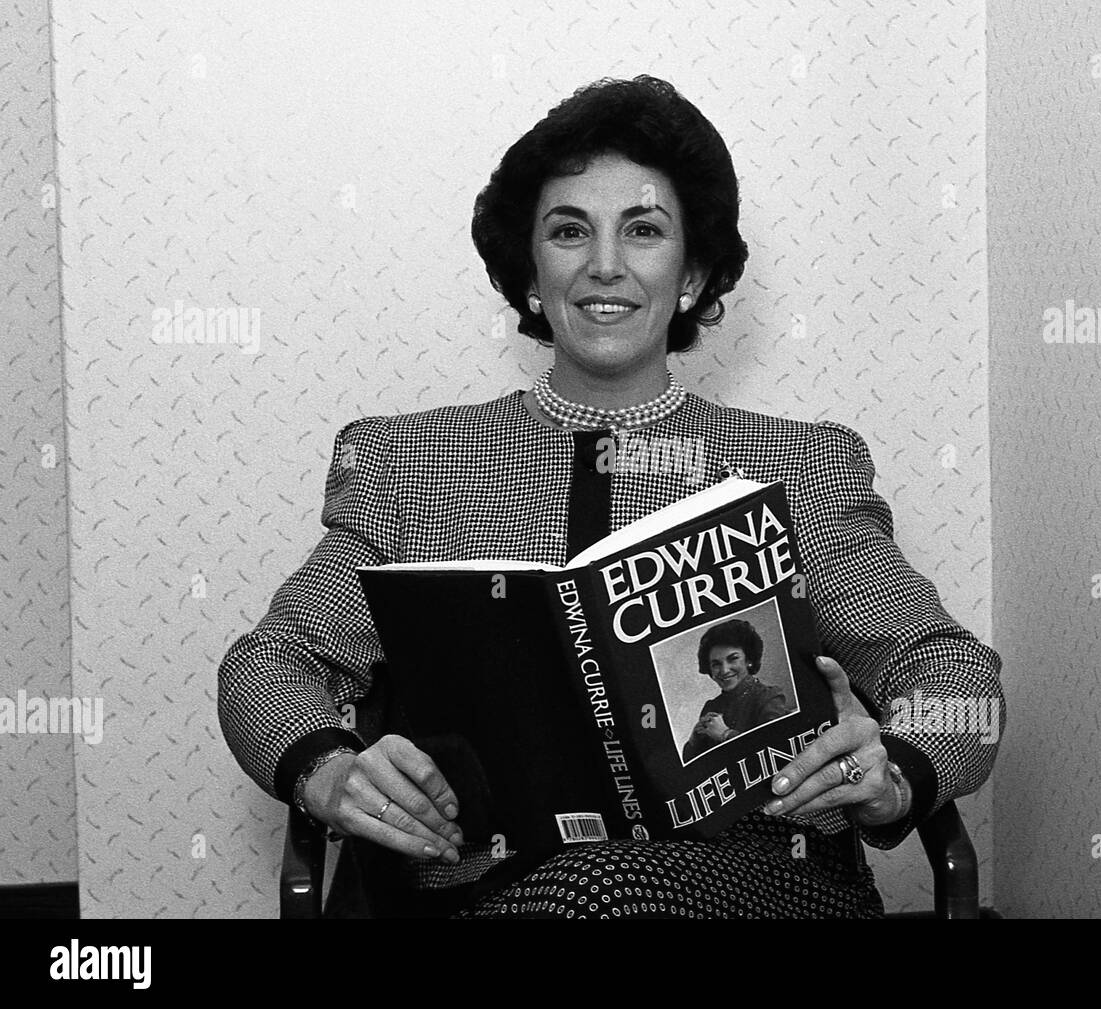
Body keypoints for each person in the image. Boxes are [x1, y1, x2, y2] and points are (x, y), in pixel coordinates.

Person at [218, 75, 1006, 918]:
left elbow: (956, 675)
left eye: (642, 230)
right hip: (482, 887)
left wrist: (891, 774)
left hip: (759, 885)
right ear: (529, 274)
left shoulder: (800, 465)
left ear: (694, 273)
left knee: (612, 891)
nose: (604, 264)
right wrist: (330, 769)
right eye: (568, 231)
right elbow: (265, 664)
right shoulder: (409, 463)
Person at [681, 619, 793, 762]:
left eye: (733, 659)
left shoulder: (769, 697)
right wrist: (694, 740)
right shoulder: (711, 707)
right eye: (716, 664)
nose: (724, 670)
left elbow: (776, 751)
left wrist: (725, 734)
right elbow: (693, 767)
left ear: (749, 660)